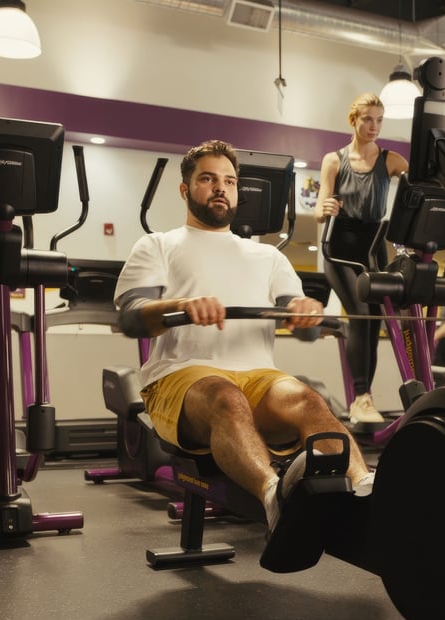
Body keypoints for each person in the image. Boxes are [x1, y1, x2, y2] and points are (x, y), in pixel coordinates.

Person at [114, 139, 373, 571]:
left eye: (230, 181)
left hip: (257, 376)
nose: (221, 188)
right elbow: (130, 317)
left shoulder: (268, 256)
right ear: (185, 190)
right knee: (226, 398)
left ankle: (365, 489)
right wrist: (180, 306)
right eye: (208, 179)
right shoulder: (158, 245)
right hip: (179, 377)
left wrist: (305, 311)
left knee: (308, 400)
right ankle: (277, 500)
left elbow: (305, 327)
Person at [315, 93, 409, 425]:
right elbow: (319, 207)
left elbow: (420, 184)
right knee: (359, 313)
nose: (374, 126)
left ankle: (364, 399)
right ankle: (360, 397)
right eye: (368, 119)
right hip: (339, 248)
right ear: (353, 120)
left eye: (379, 120)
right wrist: (325, 207)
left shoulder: (390, 160)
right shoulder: (334, 160)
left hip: (374, 248)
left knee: (375, 321)